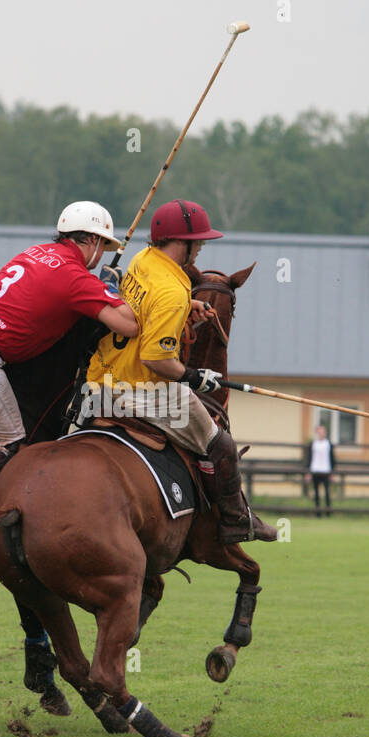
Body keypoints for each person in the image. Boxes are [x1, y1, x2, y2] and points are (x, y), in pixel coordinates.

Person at [0, 201, 139, 559]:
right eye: (102, 246)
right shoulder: (77, 278)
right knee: (8, 441)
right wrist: (109, 290)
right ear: (92, 242)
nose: (101, 254)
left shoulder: (37, 251)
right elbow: (129, 324)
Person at [85, 198, 277, 543]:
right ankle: (235, 519)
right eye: (199, 240)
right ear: (180, 242)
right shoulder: (172, 290)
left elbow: (142, 302)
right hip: (142, 392)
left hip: (96, 382)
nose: (201, 247)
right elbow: (156, 360)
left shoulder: (144, 260)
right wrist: (195, 377)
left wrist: (189, 303)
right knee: (221, 446)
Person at [305, 424, 336, 517]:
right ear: (317, 432)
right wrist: (308, 472)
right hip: (315, 470)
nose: (321, 433)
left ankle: (328, 512)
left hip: (326, 470)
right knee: (316, 493)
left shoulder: (328, 444)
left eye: (322, 431)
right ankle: (318, 513)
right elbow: (310, 458)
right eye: (319, 431)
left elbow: (332, 458)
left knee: (327, 492)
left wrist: (332, 472)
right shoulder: (313, 444)